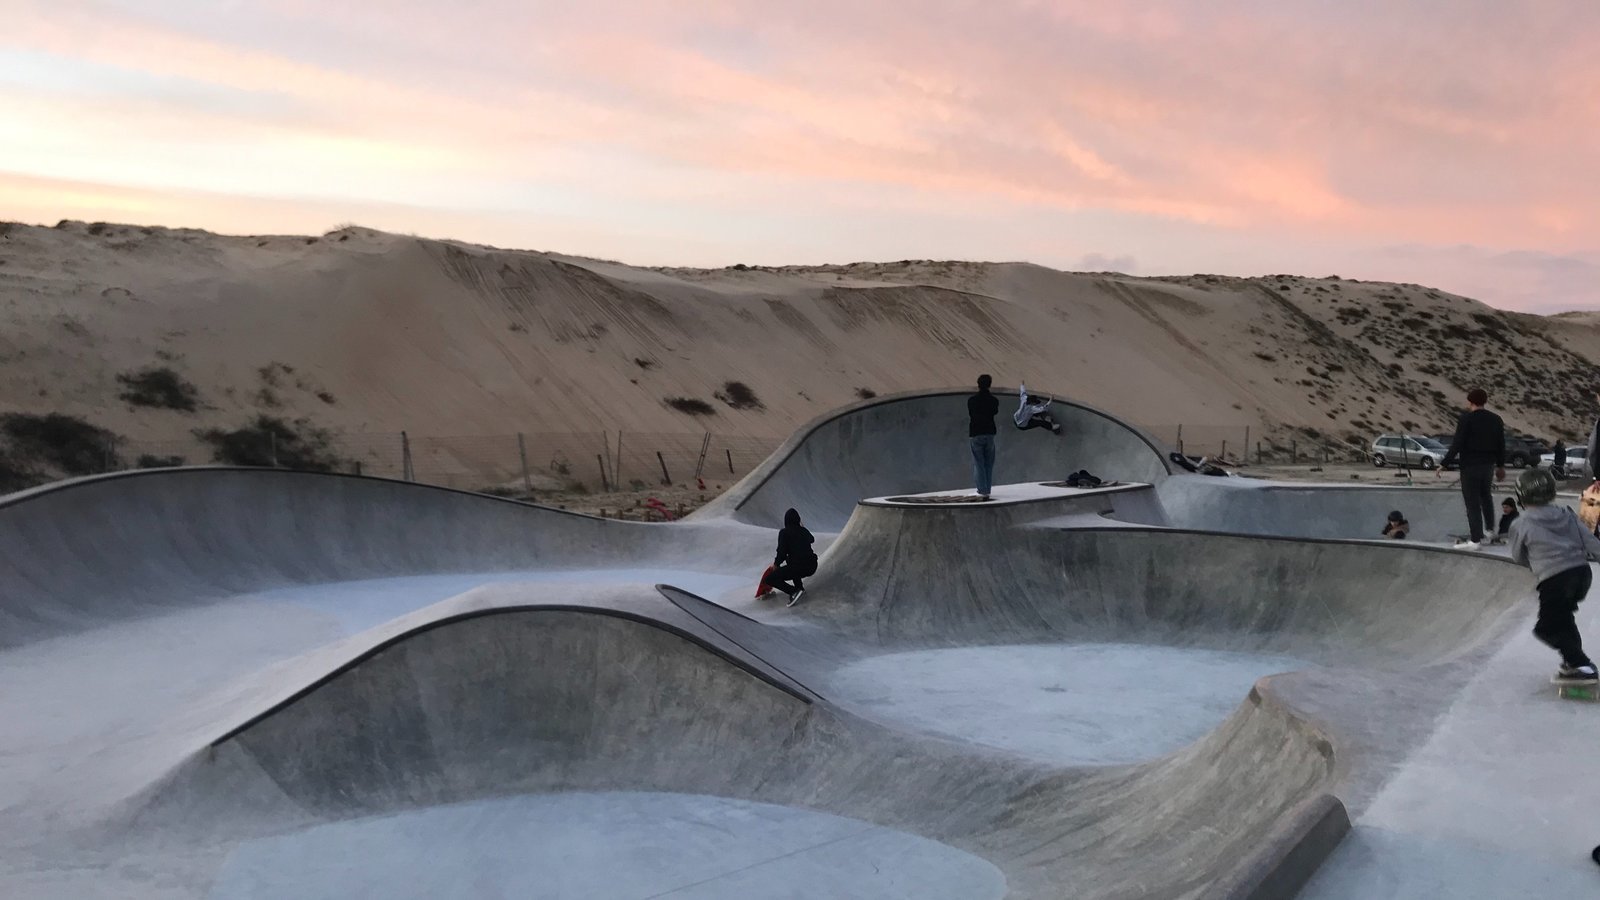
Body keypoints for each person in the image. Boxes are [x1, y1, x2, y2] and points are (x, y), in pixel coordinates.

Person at [1507, 467, 1600, 682]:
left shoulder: (1521, 524)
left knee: (1546, 628)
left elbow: (1518, 557)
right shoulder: (1566, 514)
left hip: (1554, 580)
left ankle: (1582, 664)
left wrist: (1536, 564)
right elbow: (1591, 543)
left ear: (1520, 497)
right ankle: (1571, 662)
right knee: (1563, 618)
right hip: (1581, 575)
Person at [1441, 388, 1506, 550]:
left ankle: (1475, 540)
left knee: (1472, 503)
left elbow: (1458, 443)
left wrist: (1444, 463)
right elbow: (1501, 445)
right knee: (1486, 497)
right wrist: (1501, 465)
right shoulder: (1496, 419)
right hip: (1488, 466)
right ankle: (1490, 530)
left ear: (1470, 402)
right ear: (1485, 401)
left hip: (1470, 466)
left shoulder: (1466, 419)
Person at [759, 507, 817, 607]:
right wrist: (802, 528)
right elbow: (812, 539)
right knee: (792, 563)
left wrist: (776, 565)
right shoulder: (804, 531)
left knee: (770, 579)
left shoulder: (784, 532)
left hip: (799, 567)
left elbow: (781, 552)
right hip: (812, 566)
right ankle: (800, 589)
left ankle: (794, 591)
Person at [967, 374, 999, 499]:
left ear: (978, 384)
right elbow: (995, 411)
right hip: (990, 432)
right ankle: (987, 489)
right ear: (989, 384)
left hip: (976, 432)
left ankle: (982, 490)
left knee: (978, 462)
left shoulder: (972, 400)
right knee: (988, 463)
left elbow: (971, 413)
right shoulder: (994, 400)